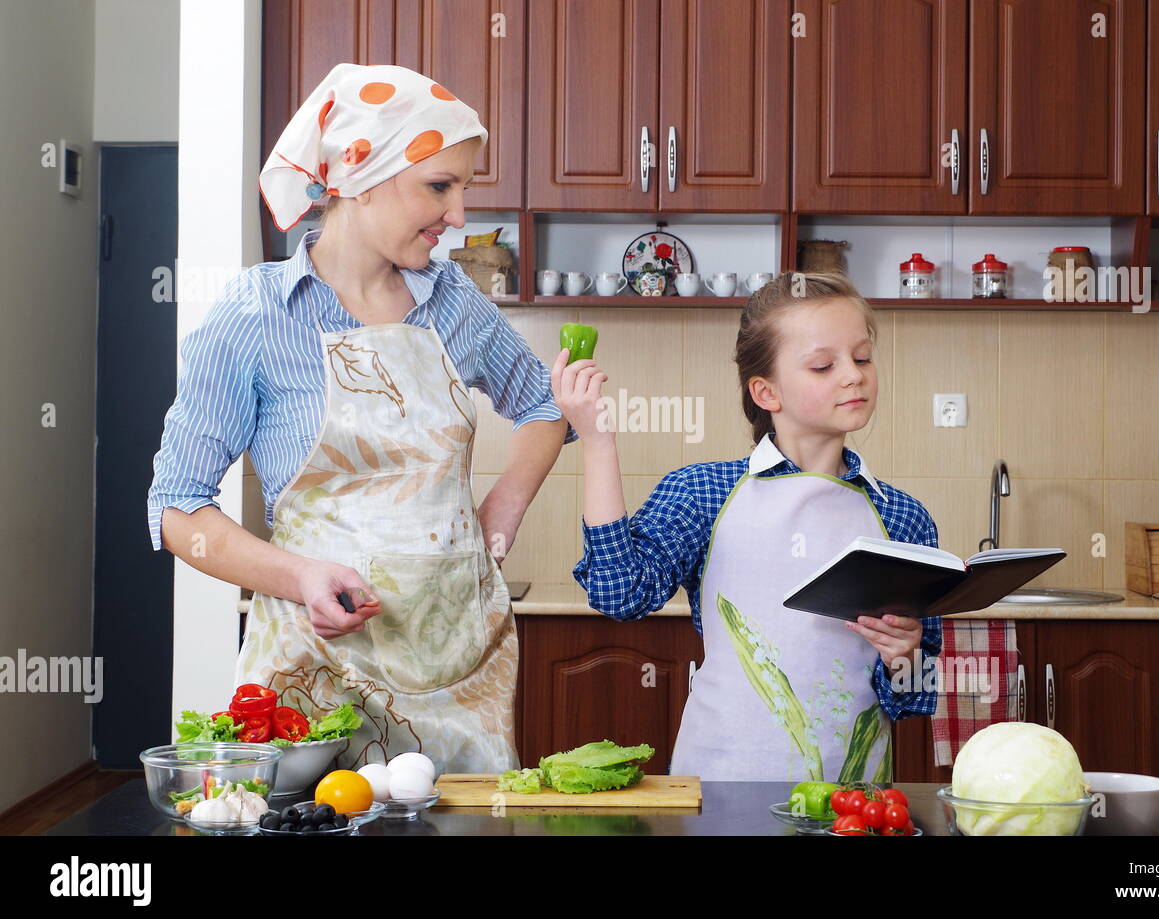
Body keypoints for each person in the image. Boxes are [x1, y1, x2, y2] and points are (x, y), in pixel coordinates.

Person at [148, 63, 573, 772]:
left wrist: (500, 511)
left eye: (464, 187)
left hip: (457, 667)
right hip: (312, 672)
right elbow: (175, 510)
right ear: (359, 176)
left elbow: (544, 404)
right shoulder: (256, 315)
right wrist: (299, 577)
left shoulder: (454, 304)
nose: (460, 215)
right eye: (440, 186)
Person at [555, 272, 942, 783]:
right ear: (766, 392)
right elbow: (619, 594)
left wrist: (906, 656)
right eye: (824, 365)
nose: (854, 375)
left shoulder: (904, 518)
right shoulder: (704, 494)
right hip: (719, 786)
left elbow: (917, 697)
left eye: (863, 357)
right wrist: (597, 441)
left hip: (854, 801)